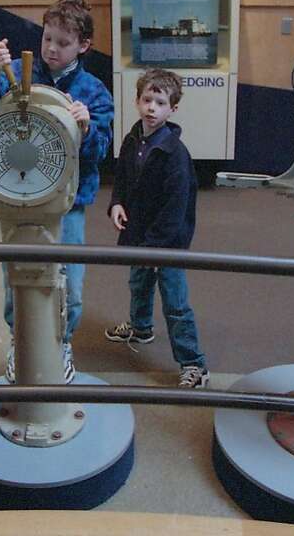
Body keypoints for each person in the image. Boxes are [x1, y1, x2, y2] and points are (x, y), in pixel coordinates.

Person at [0, 0, 114, 383]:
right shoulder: (13, 73)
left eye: (63, 42)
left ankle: (62, 342)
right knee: (18, 278)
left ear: (84, 46)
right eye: (48, 39)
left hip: (68, 205)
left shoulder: (93, 93)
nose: (51, 49)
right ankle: (21, 341)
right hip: (18, 198)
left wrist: (87, 127)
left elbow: (99, 153)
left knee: (70, 285)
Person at [104, 69, 209, 388]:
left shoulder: (176, 155)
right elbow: (121, 178)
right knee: (138, 283)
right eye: (147, 100)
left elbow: (175, 209)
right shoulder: (132, 139)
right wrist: (117, 203)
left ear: (172, 109)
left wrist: (155, 247)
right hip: (137, 236)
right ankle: (141, 327)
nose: (152, 107)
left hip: (167, 244)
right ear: (137, 101)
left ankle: (194, 363)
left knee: (175, 302)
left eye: (160, 102)